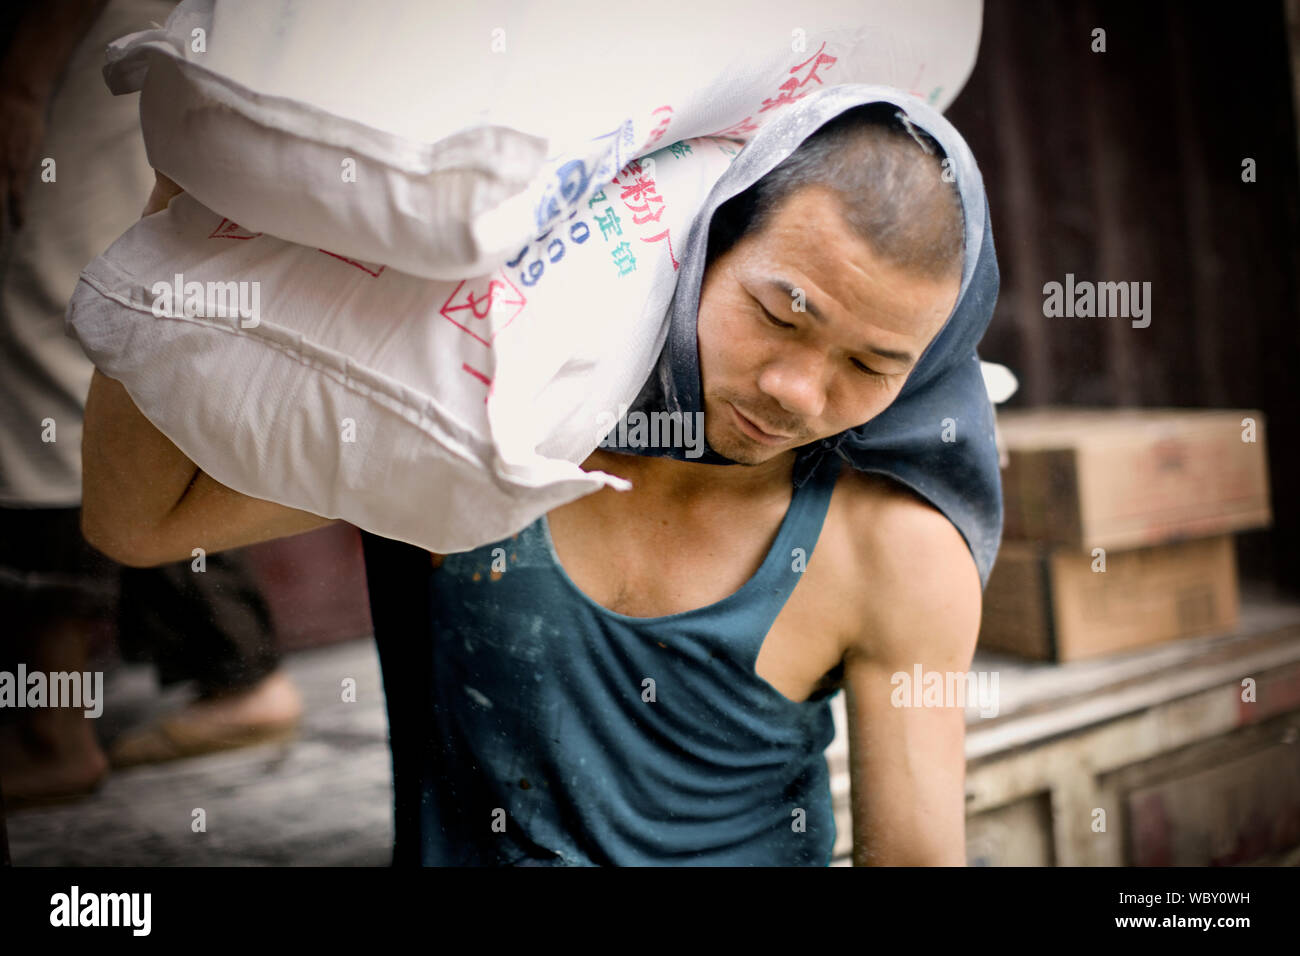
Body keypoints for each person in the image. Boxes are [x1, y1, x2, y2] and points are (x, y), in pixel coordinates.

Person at [80, 90, 1001, 865]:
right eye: (780, 313)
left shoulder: (895, 544)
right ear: (702, 246)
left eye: (874, 366)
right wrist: (187, 220)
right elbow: (142, 523)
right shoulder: (480, 428)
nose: (799, 392)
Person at [0, 0, 299, 822]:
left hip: (82, 35)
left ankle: (50, 727)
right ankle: (234, 663)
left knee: (59, 332)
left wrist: (25, 78)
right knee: (96, 332)